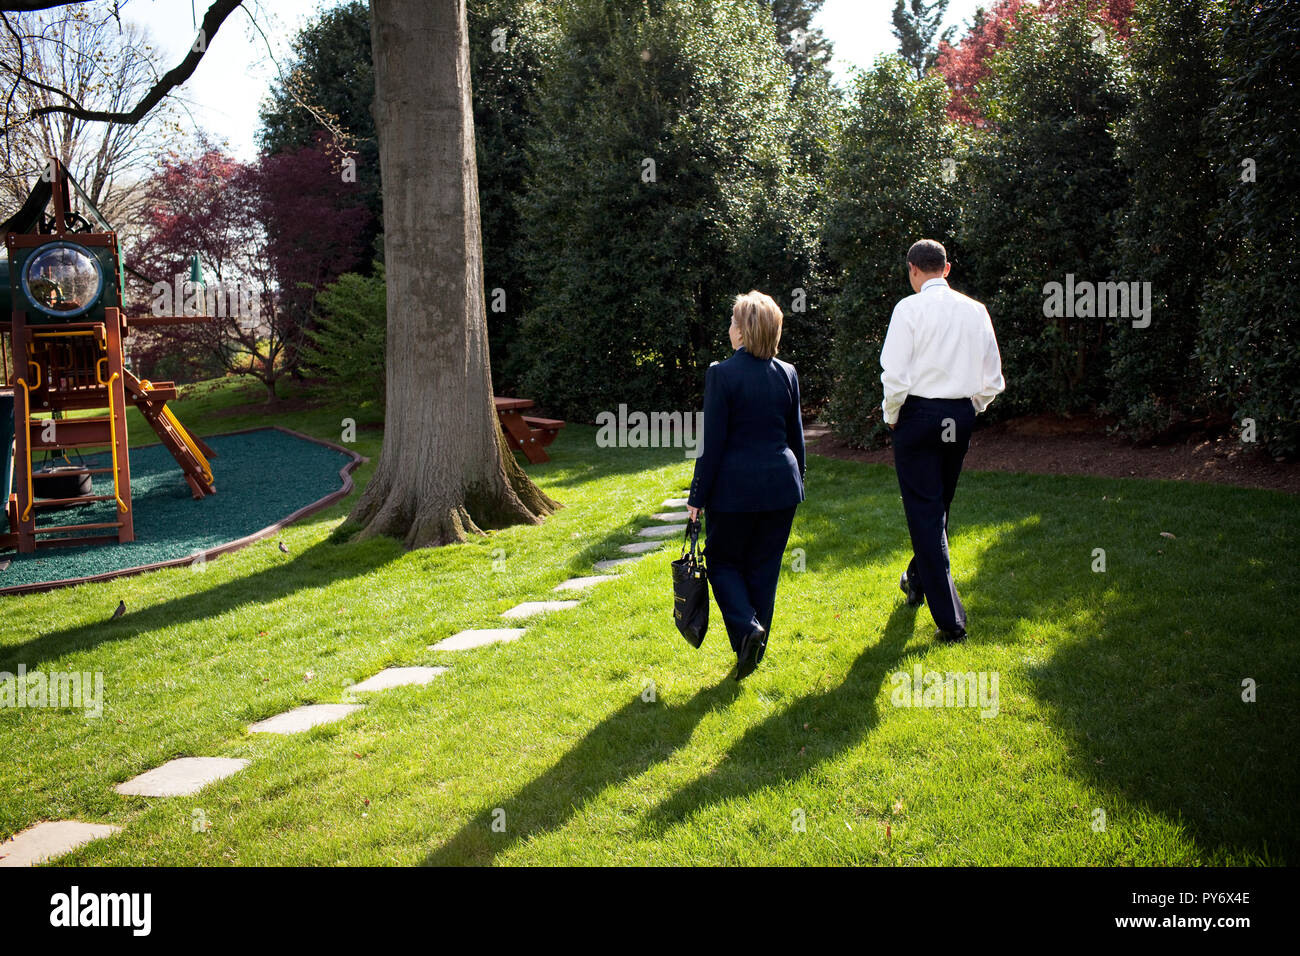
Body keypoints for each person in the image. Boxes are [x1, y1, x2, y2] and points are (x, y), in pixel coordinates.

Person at [880, 239, 1005, 642]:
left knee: (926, 513)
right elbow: (992, 379)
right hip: (959, 416)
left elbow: (895, 376)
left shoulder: (908, 309)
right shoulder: (976, 310)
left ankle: (951, 621)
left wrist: (892, 415)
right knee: (938, 507)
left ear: (913, 269)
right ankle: (917, 578)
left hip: (917, 416)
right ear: (946, 269)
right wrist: (972, 408)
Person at [686, 291, 805, 681]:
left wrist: (696, 497)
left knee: (721, 563)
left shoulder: (721, 373)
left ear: (744, 330)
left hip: (734, 491)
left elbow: (712, 443)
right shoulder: (787, 372)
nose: (729, 328)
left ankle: (747, 632)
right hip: (781, 488)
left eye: (734, 322)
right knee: (764, 569)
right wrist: (797, 481)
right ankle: (752, 651)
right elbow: (796, 437)